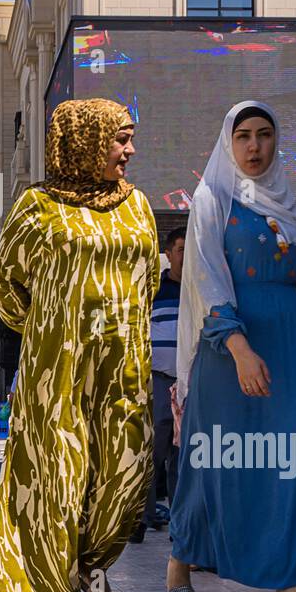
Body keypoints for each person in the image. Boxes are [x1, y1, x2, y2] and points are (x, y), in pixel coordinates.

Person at [0, 98, 160, 592]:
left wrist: (117, 322)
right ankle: (61, 590)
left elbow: (149, 278)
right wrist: (52, 322)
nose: (129, 150)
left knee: (127, 468)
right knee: (60, 472)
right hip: (56, 366)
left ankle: (92, 564)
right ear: (85, 141)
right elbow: (3, 282)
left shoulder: (138, 206)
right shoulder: (37, 205)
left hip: (124, 363)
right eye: (119, 139)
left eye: (130, 138)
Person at [165, 101, 296, 592]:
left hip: (291, 344)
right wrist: (239, 348)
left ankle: (288, 585)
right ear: (229, 142)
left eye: (265, 135)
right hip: (229, 347)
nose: (255, 147)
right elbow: (206, 278)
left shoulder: (285, 201)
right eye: (243, 136)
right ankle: (181, 562)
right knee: (215, 456)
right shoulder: (212, 198)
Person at [130, 225, 185, 542]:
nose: (186, 255)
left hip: (190, 384)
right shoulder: (153, 290)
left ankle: (179, 525)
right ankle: (141, 518)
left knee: (183, 457)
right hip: (159, 381)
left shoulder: (200, 288)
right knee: (151, 453)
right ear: (168, 253)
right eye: (181, 249)